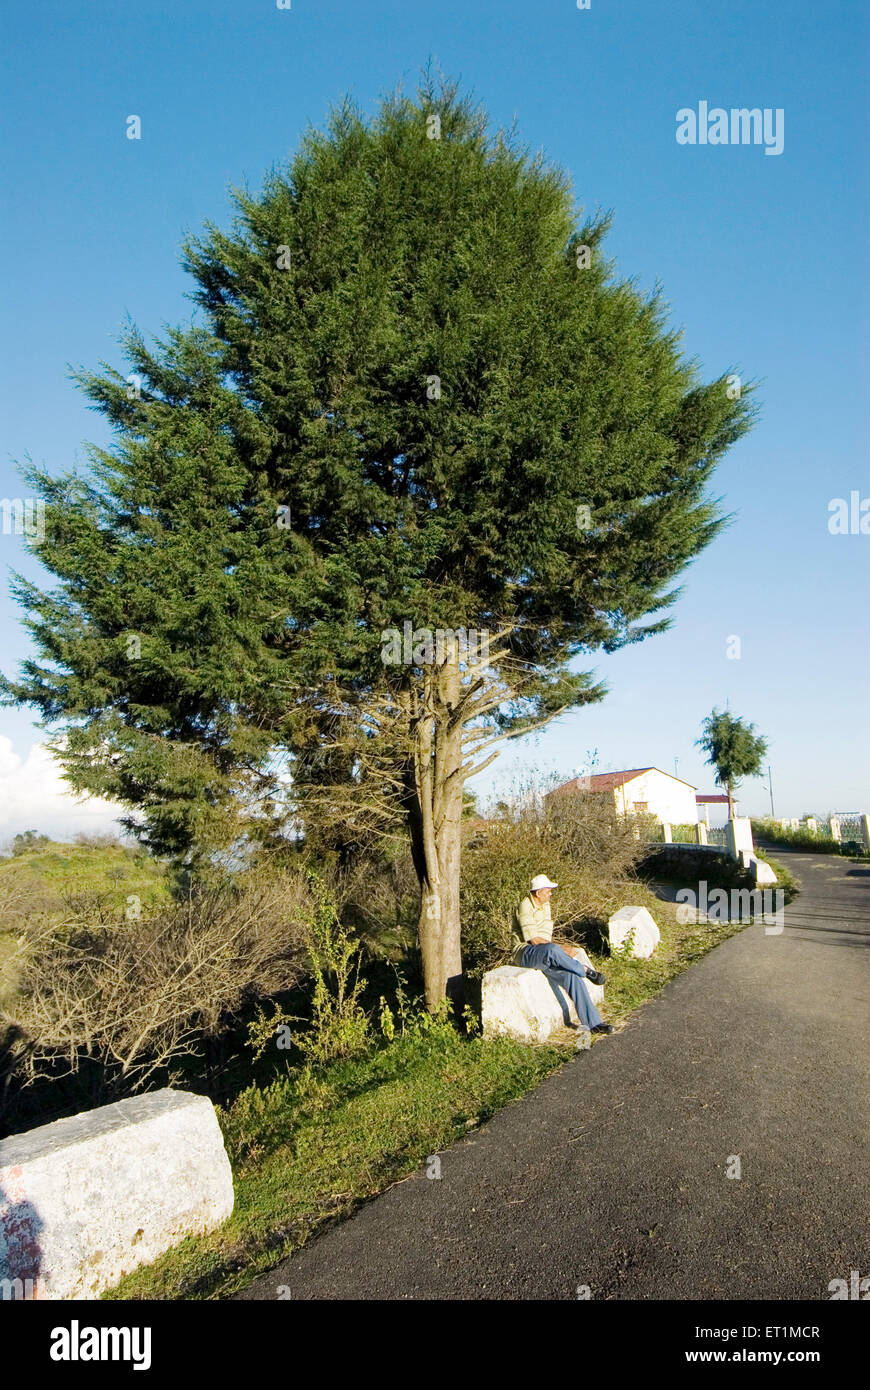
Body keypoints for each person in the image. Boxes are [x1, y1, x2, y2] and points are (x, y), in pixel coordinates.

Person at [512, 874, 615, 1034]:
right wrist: (559, 949)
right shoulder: (525, 905)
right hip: (525, 953)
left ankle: (594, 1024)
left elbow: (546, 937)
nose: (551, 894)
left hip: (544, 954)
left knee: (572, 978)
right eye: (548, 891)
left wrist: (557, 950)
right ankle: (585, 970)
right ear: (538, 893)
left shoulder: (545, 906)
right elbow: (534, 940)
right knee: (554, 950)